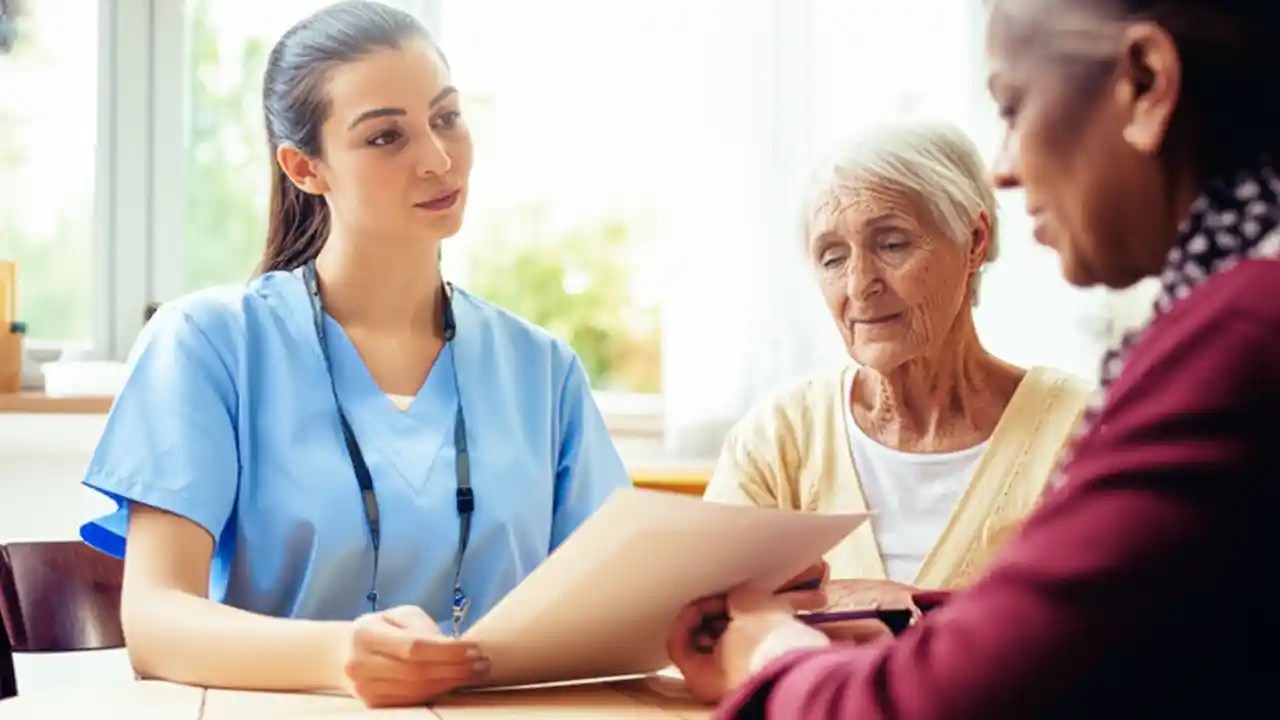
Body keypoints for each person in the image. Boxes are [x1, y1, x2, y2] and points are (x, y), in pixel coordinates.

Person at [668, 1, 1280, 717]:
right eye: (832, 256)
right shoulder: (1243, 307)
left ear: (1146, 84)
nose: (1006, 165)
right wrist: (912, 625)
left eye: (1013, 107)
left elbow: (942, 703)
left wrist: (768, 654)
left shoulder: (1243, 335)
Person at [78, 0, 629, 708]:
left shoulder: (542, 369)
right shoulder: (208, 345)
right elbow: (156, 623)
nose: (437, 157)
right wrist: (341, 653)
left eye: (446, 117)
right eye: (385, 138)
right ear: (305, 167)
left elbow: (612, 599)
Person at [703, 120, 1091, 622]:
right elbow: (712, 627)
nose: (861, 284)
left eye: (892, 244)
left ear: (974, 241)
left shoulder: (1084, 428)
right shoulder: (780, 436)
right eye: (833, 257)